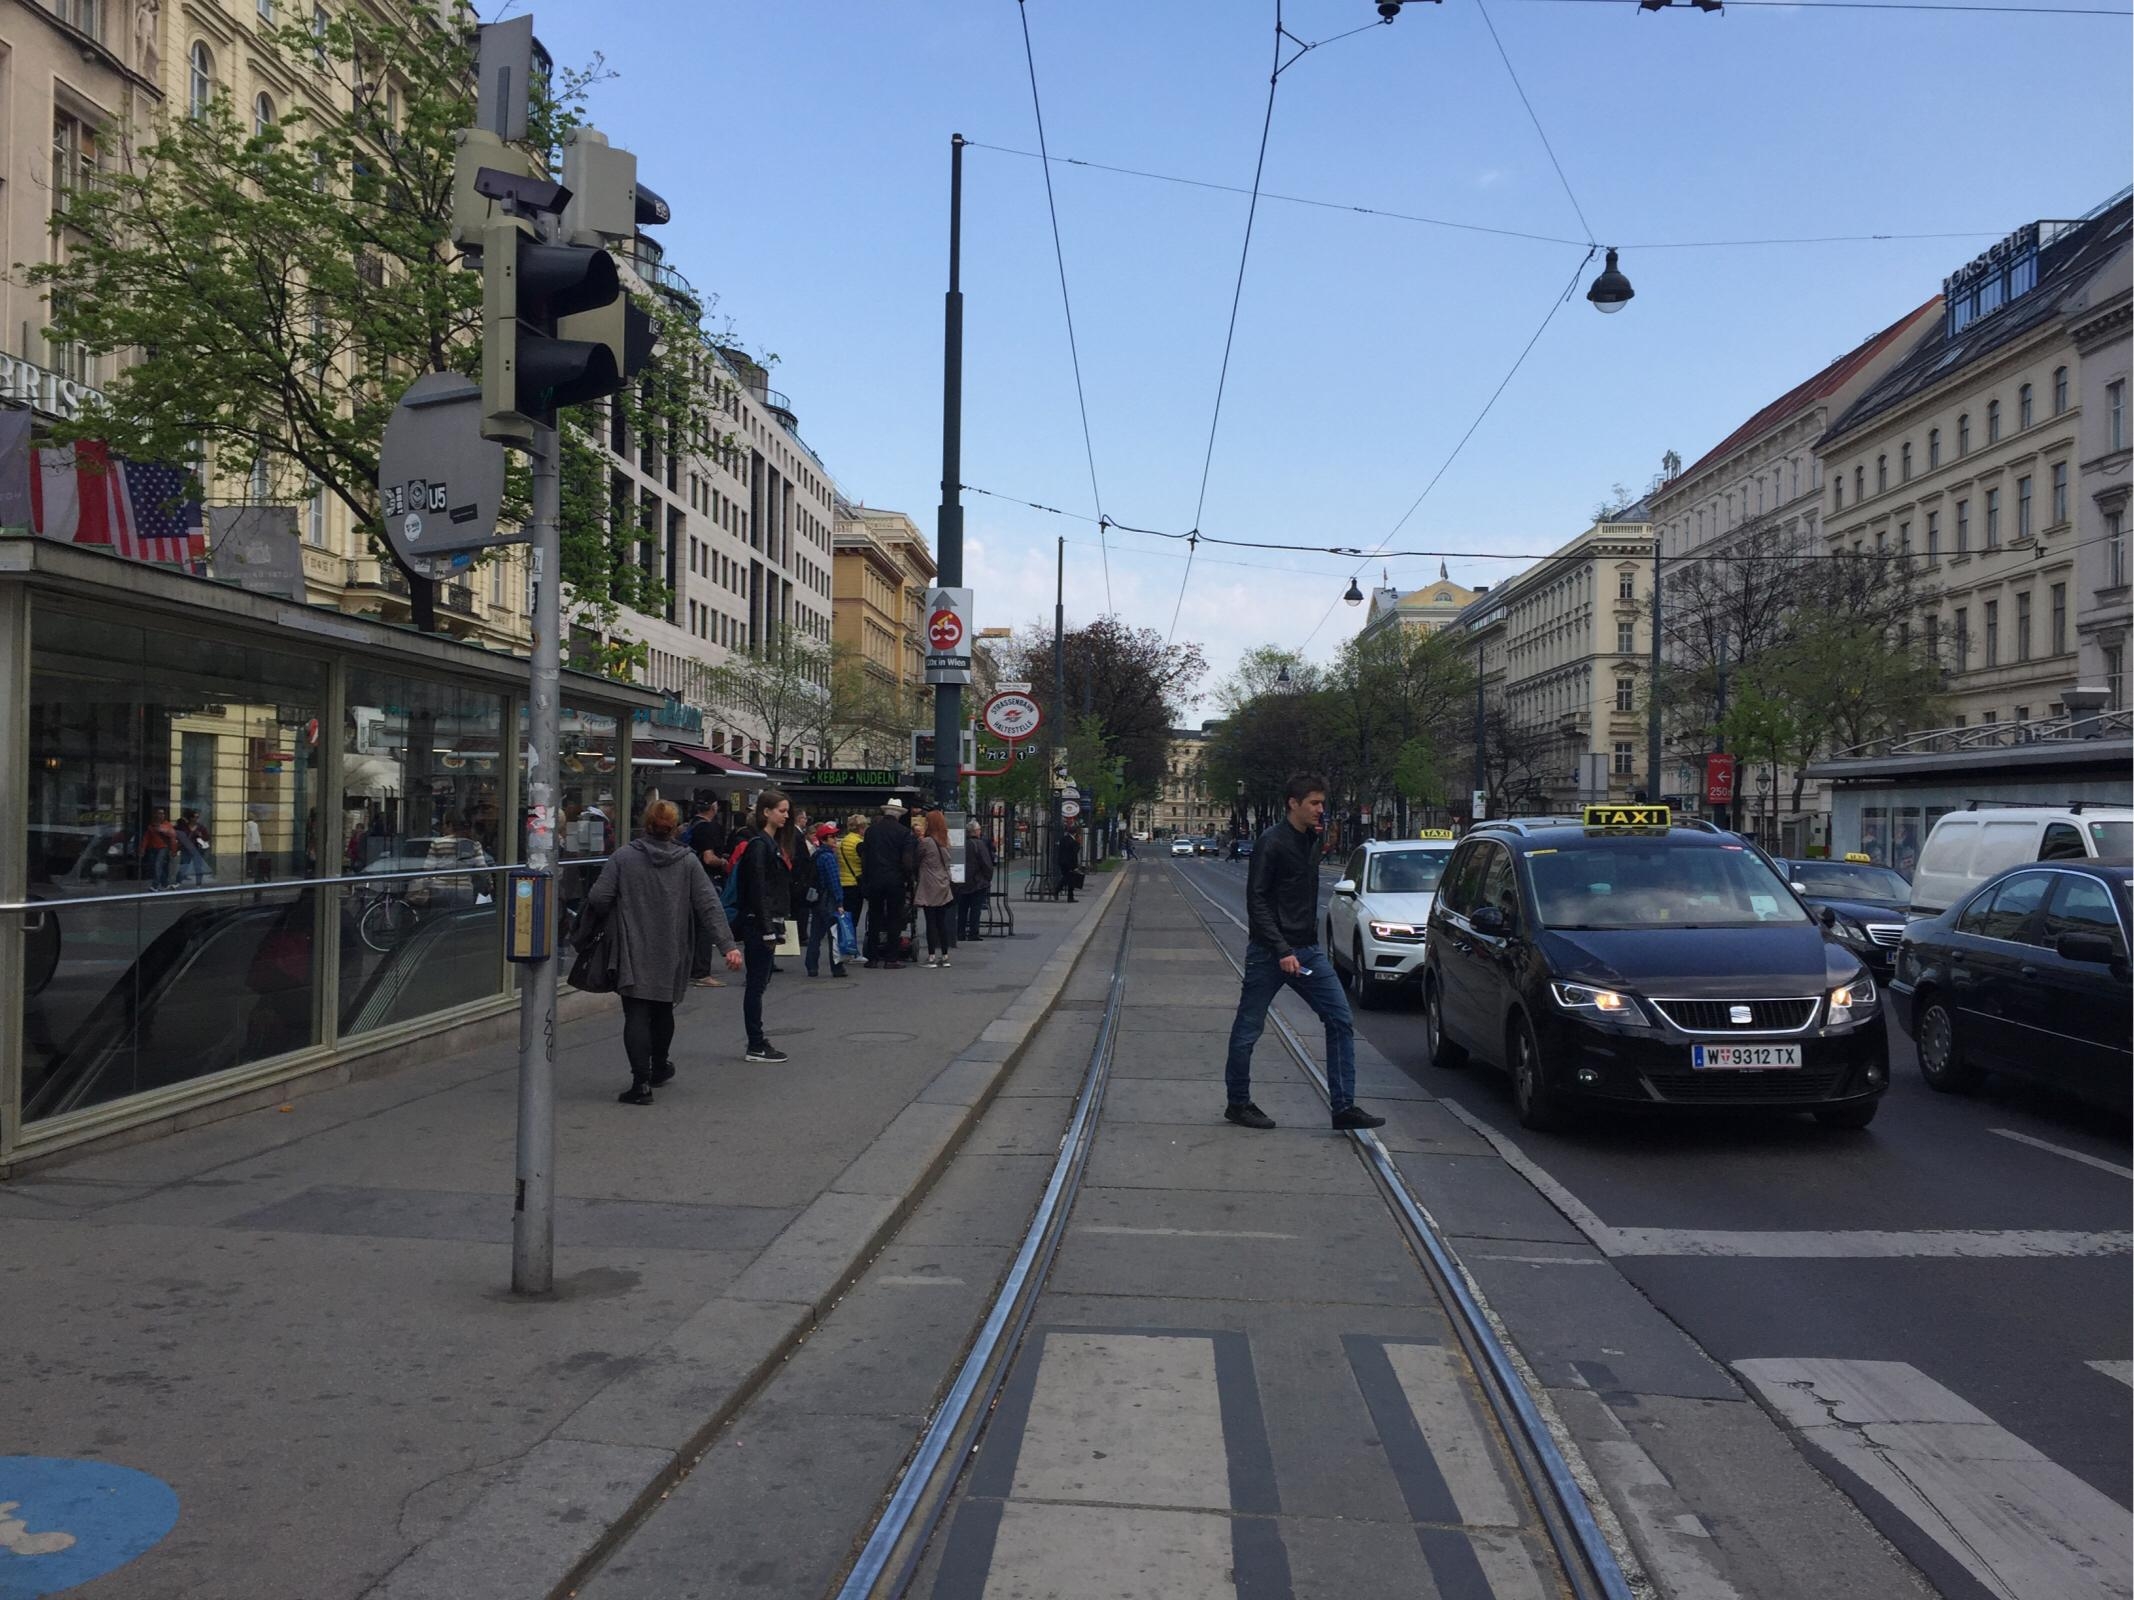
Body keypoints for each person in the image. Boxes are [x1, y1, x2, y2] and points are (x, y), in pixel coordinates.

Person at [1222, 772, 1385, 1132]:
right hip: (1270, 952)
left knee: (1340, 1018)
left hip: (1307, 951)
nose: (1320, 810)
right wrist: (1281, 948)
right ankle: (1238, 1103)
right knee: (1249, 1028)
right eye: (1313, 803)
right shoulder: (1272, 842)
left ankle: (1344, 1107)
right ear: (1292, 804)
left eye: (1322, 803)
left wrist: (1302, 945)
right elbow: (1258, 900)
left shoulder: (1312, 839)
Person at [586, 799, 741, 1104]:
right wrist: (728, 946)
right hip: (671, 946)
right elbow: (708, 904)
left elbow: (598, 896)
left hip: (632, 945)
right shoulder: (687, 861)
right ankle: (660, 1066)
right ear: (675, 827)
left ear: (646, 823)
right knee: (662, 1008)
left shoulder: (624, 857)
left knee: (636, 1012)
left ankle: (640, 1084)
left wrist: (622, 908)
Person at [732, 789, 792, 1062]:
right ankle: (755, 1043)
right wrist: (768, 927)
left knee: (760, 983)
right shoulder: (760, 845)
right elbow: (758, 889)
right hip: (759, 923)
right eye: (781, 810)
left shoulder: (768, 843)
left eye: (786, 810)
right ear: (766, 812)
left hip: (764, 921)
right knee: (756, 984)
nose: (785, 815)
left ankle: (757, 1041)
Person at [859, 799, 916, 969]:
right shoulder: (904, 833)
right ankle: (891, 958)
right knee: (894, 918)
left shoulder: (871, 831)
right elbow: (907, 861)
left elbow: (865, 858)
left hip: (874, 879)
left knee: (875, 916)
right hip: (895, 880)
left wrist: (867, 878)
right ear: (899, 815)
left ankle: (873, 957)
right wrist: (908, 878)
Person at [687, 795, 730, 988]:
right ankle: (701, 972)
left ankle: (690, 968)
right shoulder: (708, 828)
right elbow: (708, 858)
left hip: (687, 880)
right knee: (706, 924)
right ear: (714, 807)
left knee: (693, 926)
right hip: (706, 879)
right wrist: (724, 862)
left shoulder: (690, 825)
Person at [805, 822, 850, 978]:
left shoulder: (816, 855)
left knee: (815, 936)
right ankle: (837, 967)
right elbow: (834, 882)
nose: (835, 839)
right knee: (834, 936)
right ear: (824, 839)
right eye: (832, 837)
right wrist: (839, 902)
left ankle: (811, 966)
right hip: (828, 900)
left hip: (817, 899)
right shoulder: (828, 857)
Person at [914, 809, 956, 967]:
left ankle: (931, 956)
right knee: (941, 922)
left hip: (929, 885)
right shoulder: (945, 841)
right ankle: (944, 956)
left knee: (930, 921)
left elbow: (916, 858)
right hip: (943, 885)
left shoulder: (926, 842)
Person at [957, 820, 994, 941]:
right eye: (979, 830)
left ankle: (960, 932)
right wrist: (987, 878)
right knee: (975, 909)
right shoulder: (979, 844)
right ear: (976, 831)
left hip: (962, 881)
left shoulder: (962, 844)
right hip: (977, 882)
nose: (980, 832)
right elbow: (986, 863)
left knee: (962, 909)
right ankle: (973, 933)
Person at [837, 813, 866, 945]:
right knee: (853, 919)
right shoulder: (859, 843)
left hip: (843, 882)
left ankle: (844, 944)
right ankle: (851, 947)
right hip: (855, 883)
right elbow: (863, 862)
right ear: (861, 827)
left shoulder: (842, 842)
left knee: (845, 917)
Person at [141, 806, 179, 890]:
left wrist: (174, 850)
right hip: (153, 848)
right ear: (155, 814)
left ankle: (155, 885)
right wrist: (142, 849)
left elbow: (173, 837)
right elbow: (146, 838)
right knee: (156, 866)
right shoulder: (151, 826)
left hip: (163, 848)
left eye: (162, 814)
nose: (161, 815)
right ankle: (165, 883)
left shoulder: (167, 825)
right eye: (159, 813)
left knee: (157, 865)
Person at [177, 808, 212, 885]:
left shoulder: (201, 827)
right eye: (195, 817)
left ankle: (198, 884)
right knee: (184, 866)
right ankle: (178, 883)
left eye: (197, 817)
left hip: (197, 850)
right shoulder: (184, 827)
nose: (197, 819)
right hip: (186, 849)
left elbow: (207, 837)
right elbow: (178, 835)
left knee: (198, 867)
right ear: (190, 818)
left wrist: (201, 836)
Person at [1055, 825, 1081, 903]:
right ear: (1075, 833)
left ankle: (1070, 897)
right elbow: (1074, 854)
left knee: (1069, 879)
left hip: (1062, 862)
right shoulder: (1072, 842)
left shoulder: (1063, 839)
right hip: (1069, 863)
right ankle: (1057, 889)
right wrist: (1075, 866)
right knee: (1067, 878)